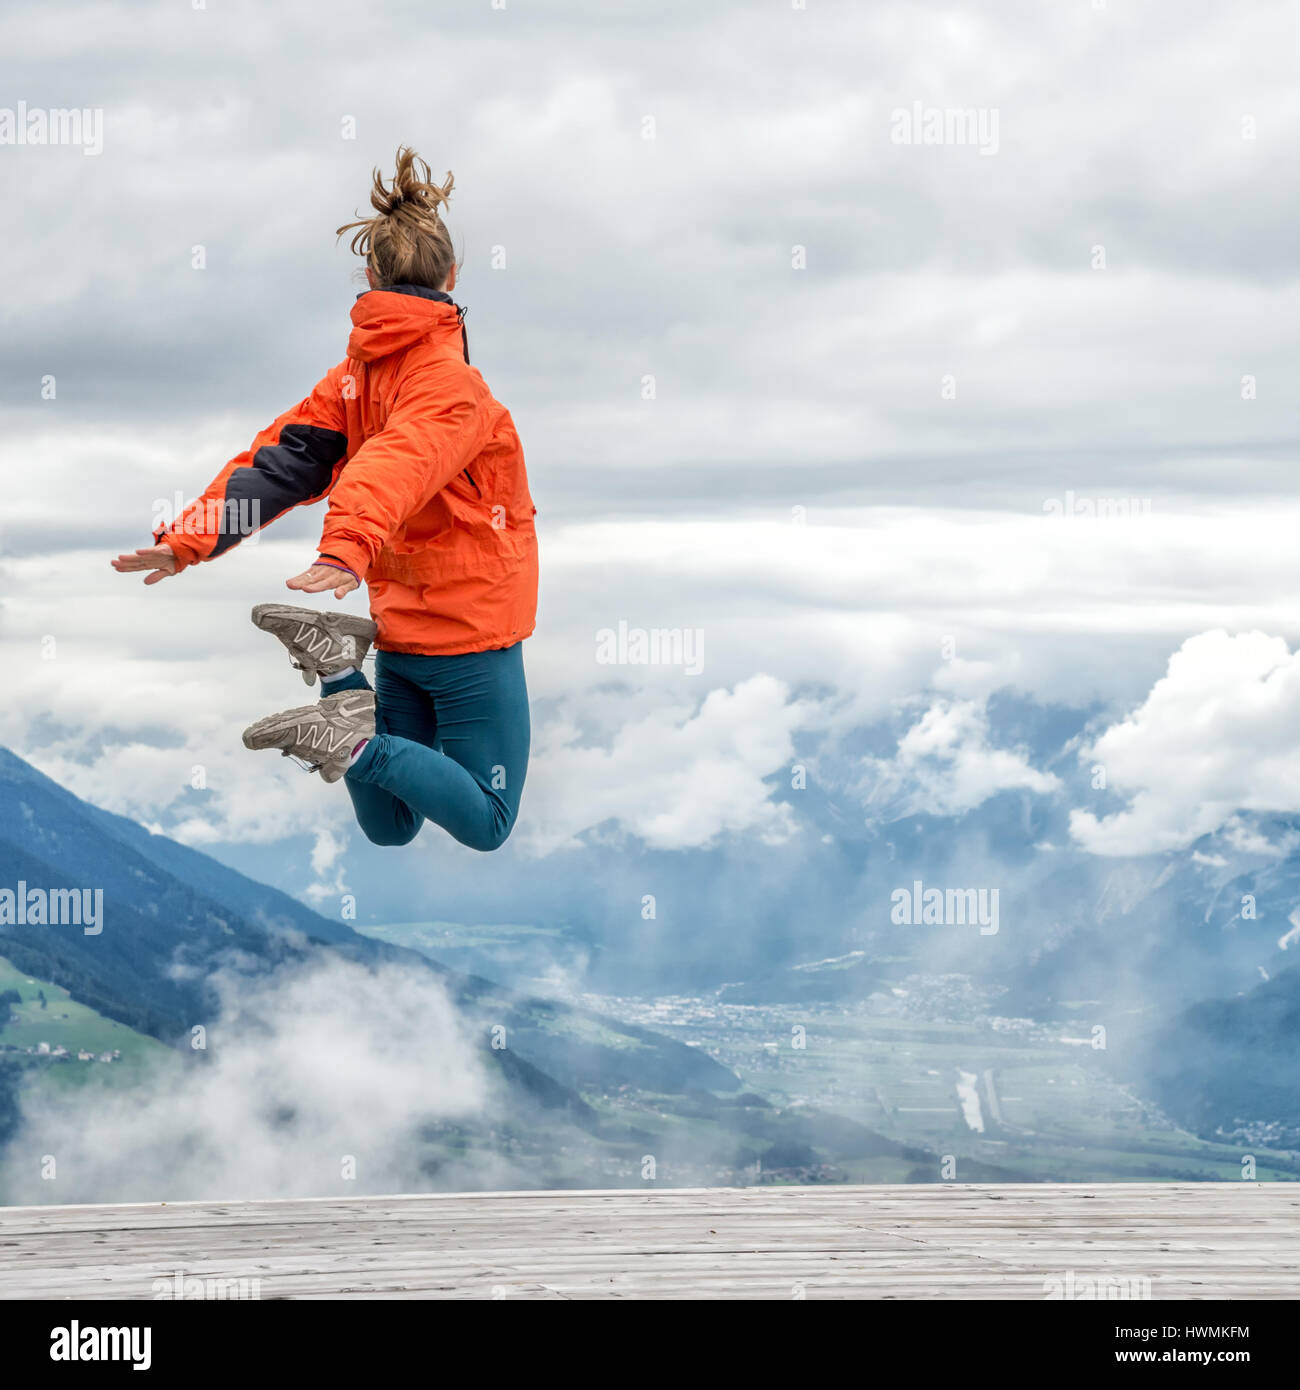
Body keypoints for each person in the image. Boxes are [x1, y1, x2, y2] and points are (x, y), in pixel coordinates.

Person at [111, 148, 537, 852]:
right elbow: (396, 464)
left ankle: (340, 675)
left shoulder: (353, 379)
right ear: (453, 279)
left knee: (391, 827)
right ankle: (348, 724)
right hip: (472, 637)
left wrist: (189, 538)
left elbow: (284, 462)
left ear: (370, 278)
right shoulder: (456, 389)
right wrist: (347, 546)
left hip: (396, 634)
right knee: (489, 821)